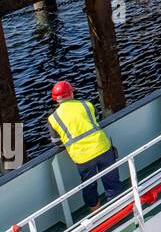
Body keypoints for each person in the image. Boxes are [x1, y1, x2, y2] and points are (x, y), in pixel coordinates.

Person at [47, 80, 121, 213]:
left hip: (82, 157)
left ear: (56, 99)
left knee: (89, 187)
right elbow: (94, 121)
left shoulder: (53, 118)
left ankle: (96, 214)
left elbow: (56, 142)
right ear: (71, 93)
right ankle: (118, 213)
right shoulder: (86, 105)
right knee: (112, 182)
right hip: (102, 147)